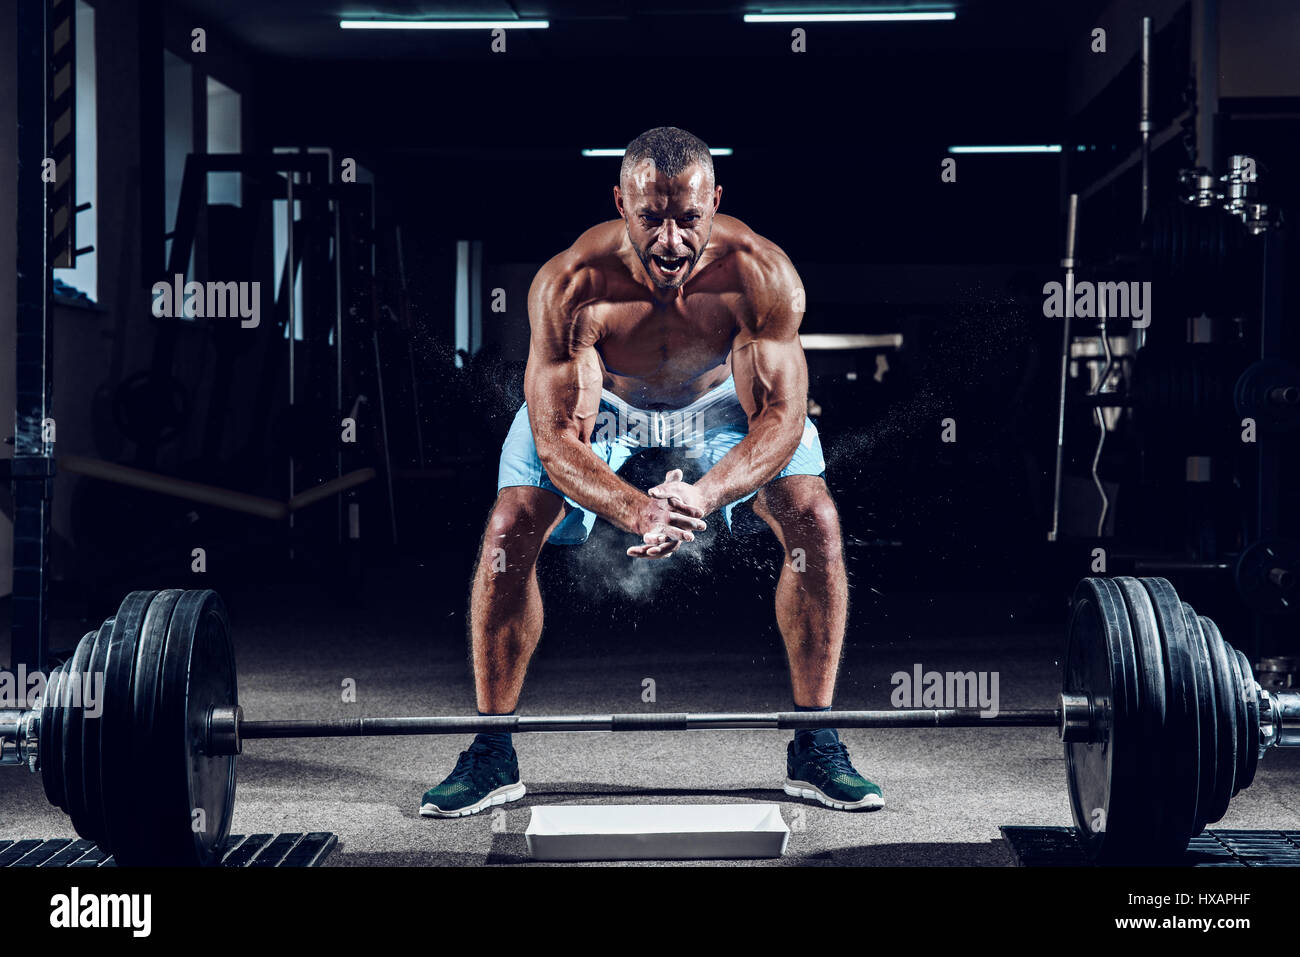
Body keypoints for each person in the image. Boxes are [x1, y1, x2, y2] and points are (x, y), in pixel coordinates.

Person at [421, 127, 882, 817]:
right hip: (604, 400)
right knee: (509, 525)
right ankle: (492, 749)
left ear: (716, 200)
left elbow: (783, 418)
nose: (670, 241)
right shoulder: (571, 284)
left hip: (719, 402)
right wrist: (640, 509)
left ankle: (814, 742)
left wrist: (702, 492)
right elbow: (553, 441)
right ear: (619, 202)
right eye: (650, 219)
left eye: (689, 218)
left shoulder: (762, 274)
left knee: (814, 516)